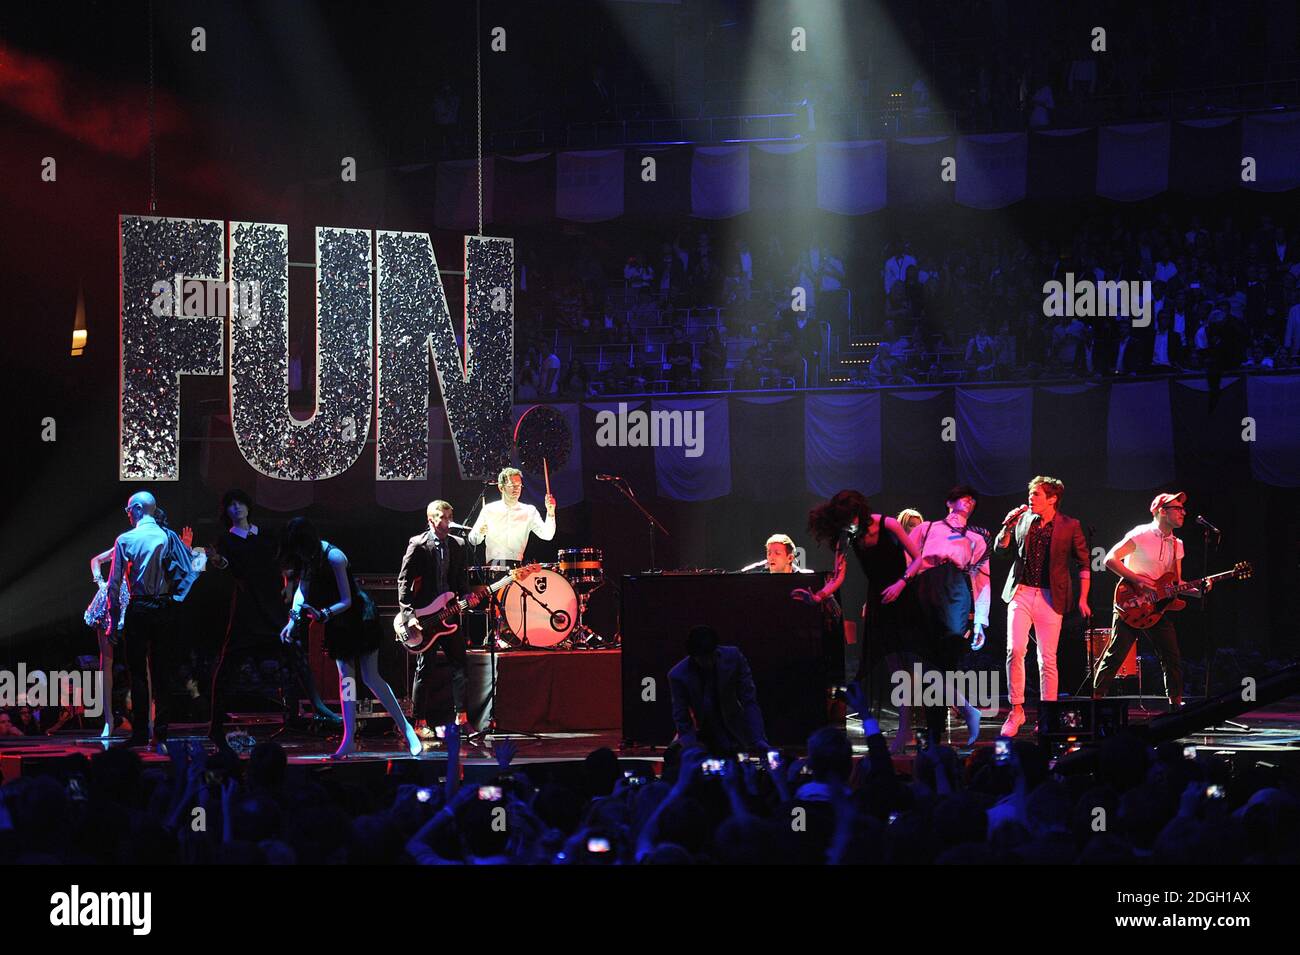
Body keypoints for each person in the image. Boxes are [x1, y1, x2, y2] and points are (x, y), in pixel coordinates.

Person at [204, 490, 338, 753]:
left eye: (240, 503)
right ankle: (215, 727)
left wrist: (289, 585)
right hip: (246, 610)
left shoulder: (265, 535)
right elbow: (226, 565)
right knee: (227, 668)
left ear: (247, 506)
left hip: (273, 607)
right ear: (226, 511)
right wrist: (218, 561)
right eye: (231, 505)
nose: (236, 508)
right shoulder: (226, 539)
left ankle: (317, 706)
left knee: (295, 654)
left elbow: (286, 565)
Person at [277, 518, 421, 759]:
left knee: (371, 677)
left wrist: (324, 613)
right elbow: (302, 591)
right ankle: (348, 738)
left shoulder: (334, 557)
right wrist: (293, 619)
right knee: (346, 679)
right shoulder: (308, 559)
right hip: (337, 623)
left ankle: (406, 729)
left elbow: (347, 600)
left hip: (359, 617)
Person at [800, 490, 920, 750]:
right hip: (880, 601)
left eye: (851, 519)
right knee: (895, 666)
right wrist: (819, 596)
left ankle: (957, 711)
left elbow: (917, 558)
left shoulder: (888, 524)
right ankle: (905, 729)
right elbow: (838, 577)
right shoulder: (847, 536)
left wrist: (901, 583)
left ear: (860, 513)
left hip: (904, 595)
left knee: (916, 662)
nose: (849, 525)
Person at [881, 485, 991, 749]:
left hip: (954, 591)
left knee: (944, 661)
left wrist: (980, 620)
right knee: (923, 661)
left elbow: (982, 579)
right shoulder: (926, 528)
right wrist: (898, 592)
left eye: (972, 499)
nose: (969, 501)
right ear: (949, 502)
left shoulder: (977, 538)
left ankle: (938, 730)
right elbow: (906, 563)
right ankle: (944, 724)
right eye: (963, 497)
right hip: (923, 589)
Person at [994, 476, 1092, 738]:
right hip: (1021, 591)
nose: (1031, 498)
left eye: (1036, 494)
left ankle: (1048, 715)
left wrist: (1083, 598)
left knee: (1047, 657)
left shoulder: (1070, 525)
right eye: (1030, 493)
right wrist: (1006, 529)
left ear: (1052, 498)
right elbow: (1001, 551)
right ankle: (1016, 710)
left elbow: (1084, 563)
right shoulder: (1023, 519)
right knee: (1015, 649)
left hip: (1051, 596)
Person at [104, 492, 198, 749]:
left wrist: (113, 620)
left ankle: (139, 734)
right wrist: (176, 598)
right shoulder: (169, 536)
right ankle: (161, 733)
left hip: (139, 607)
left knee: (137, 674)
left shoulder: (126, 539)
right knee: (162, 672)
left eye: (128, 510)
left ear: (136, 509)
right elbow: (192, 570)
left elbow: (114, 585)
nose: (127, 514)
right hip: (164, 607)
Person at [1093, 492, 1202, 709]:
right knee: (1115, 655)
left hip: (1157, 608)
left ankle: (1175, 705)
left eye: (1183, 508)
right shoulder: (1141, 534)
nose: (1183, 512)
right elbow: (1109, 559)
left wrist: (1199, 590)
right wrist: (1137, 581)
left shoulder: (1177, 544)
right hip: (1132, 603)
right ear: (1162, 511)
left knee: (1171, 657)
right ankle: (1095, 702)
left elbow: (1176, 582)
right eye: (1177, 508)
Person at [398, 500, 483, 740]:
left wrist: (466, 595)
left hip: (449, 614)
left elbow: (460, 579)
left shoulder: (458, 544)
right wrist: (409, 616)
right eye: (442, 517)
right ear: (431, 520)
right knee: (425, 668)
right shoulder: (418, 544)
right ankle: (419, 722)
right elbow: (404, 581)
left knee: (460, 665)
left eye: (449, 517)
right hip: (425, 616)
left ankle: (461, 719)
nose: (447, 522)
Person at [667, 625, 770, 755]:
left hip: (738, 733)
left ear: (716, 650)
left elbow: (749, 700)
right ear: (693, 656)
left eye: (711, 656)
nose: (709, 662)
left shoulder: (734, 657)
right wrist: (691, 748)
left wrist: (758, 738)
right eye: (703, 659)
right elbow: (682, 717)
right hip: (706, 735)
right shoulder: (678, 675)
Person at [467, 467, 556, 563]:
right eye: (512, 485)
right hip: (494, 564)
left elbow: (547, 535)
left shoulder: (529, 511)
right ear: (501, 488)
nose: (516, 489)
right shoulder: (489, 509)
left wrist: (550, 512)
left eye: (519, 486)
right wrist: (480, 532)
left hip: (516, 564)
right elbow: (473, 540)